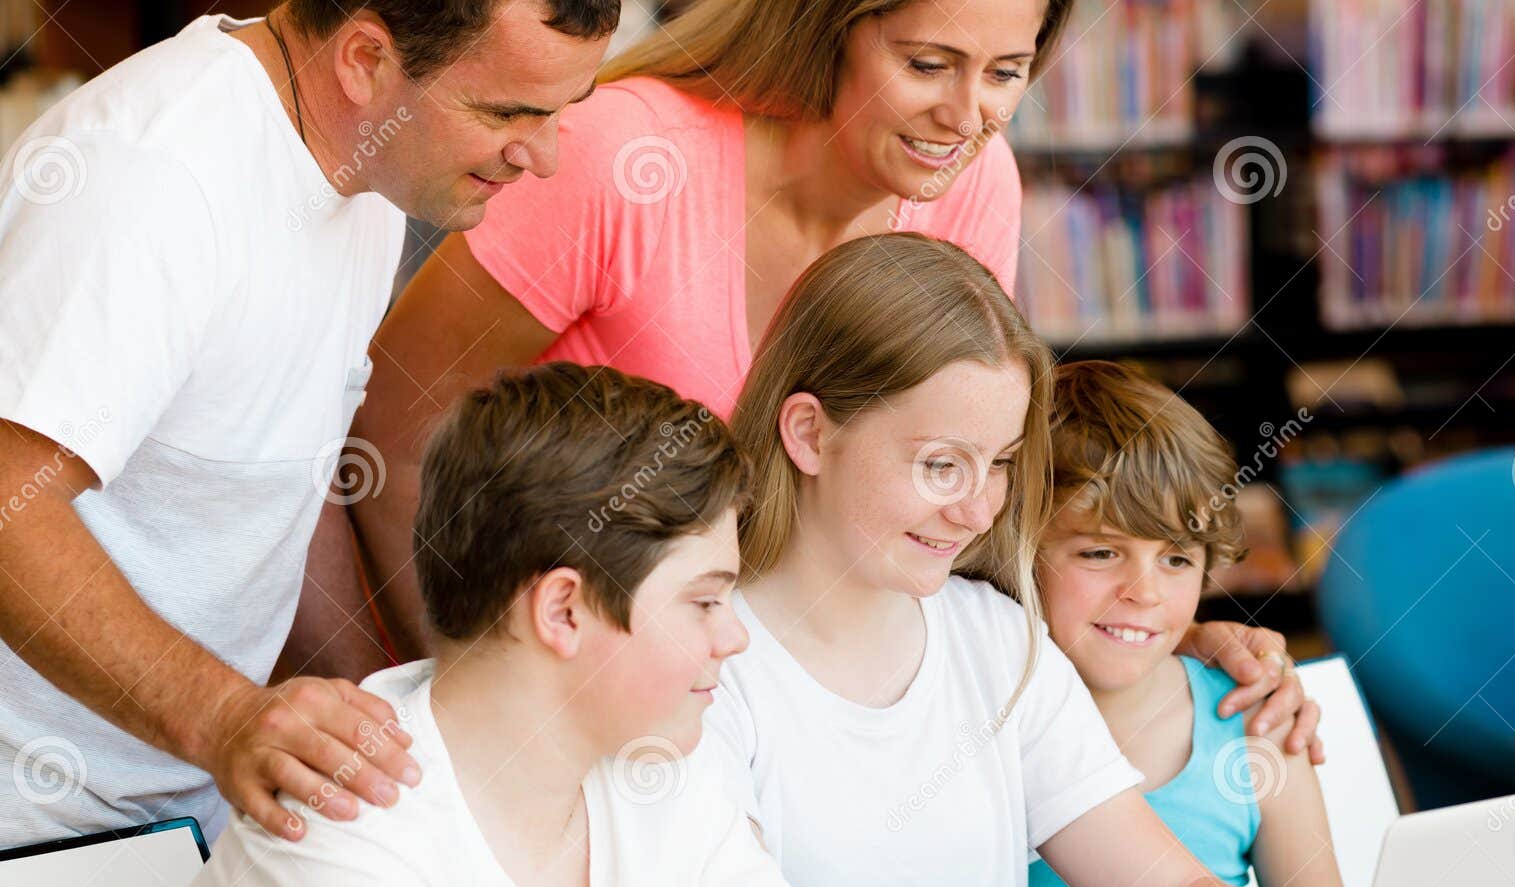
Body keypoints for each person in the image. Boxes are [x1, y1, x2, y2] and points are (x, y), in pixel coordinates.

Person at [83, 365, 950, 887]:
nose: (735, 638)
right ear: (564, 610)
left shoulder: (661, 771)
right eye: (704, 602)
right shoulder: (348, 792)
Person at [341, 0, 1324, 724]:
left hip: (780, 684)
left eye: (1005, 72)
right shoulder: (623, 159)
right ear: (827, 29)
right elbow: (389, 437)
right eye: (929, 63)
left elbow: (959, 485)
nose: (967, 115)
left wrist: (1151, 647)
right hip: (569, 664)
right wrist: (467, 703)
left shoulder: (971, 182)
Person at [661, 233, 1354, 887]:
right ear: (808, 433)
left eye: (998, 464)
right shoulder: (701, 670)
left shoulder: (998, 642)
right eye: (940, 464)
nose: (980, 506)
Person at [0, 0, 617, 850]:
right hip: (32, 820)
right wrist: (222, 716)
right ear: (364, 60)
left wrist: (383, 724)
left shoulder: (372, 171)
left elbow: (283, 480)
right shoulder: (149, 175)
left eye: (558, 114)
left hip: (181, 808)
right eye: (508, 113)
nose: (541, 157)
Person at [1026, 361, 1357, 887]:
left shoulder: (1252, 720)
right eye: (1099, 552)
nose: (1144, 592)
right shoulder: (978, 720)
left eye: (1176, 559)